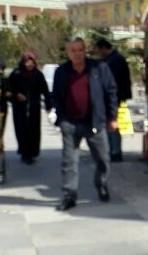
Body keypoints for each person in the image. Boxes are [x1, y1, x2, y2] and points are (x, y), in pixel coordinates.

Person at [50, 36, 118, 210]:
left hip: (95, 122)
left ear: (85, 50)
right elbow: (56, 96)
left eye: (80, 50)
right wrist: (60, 118)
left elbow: (111, 92)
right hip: (70, 124)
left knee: (103, 159)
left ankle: (101, 184)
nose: (78, 53)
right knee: (69, 162)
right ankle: (69, 195)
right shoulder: (62, 71)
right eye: (74, 50)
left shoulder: (99, 68)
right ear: (68, 52)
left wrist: (113, 117)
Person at [8, 51, 52, 165]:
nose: (29, 64)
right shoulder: (16, 74)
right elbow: (8, 89)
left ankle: (32, 152)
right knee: (22, 130)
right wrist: (16, 94)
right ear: (23, 62)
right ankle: (25, 153)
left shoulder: (38, 75)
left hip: (34, 108)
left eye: (31, 62)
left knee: (34, 130)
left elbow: (45, 90)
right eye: (27, 62)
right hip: (20, 109)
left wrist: (48, 104)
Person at [94, 38, 132, 162]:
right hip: (113, 97)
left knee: (112, 123)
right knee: (110, 124)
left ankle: (114, 151)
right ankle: (112, 150)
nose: (99, 54)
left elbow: (112, 82)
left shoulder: (115, 60)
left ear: (104, 48)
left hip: (114, 97)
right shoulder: (112, 59)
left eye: (99, 51)